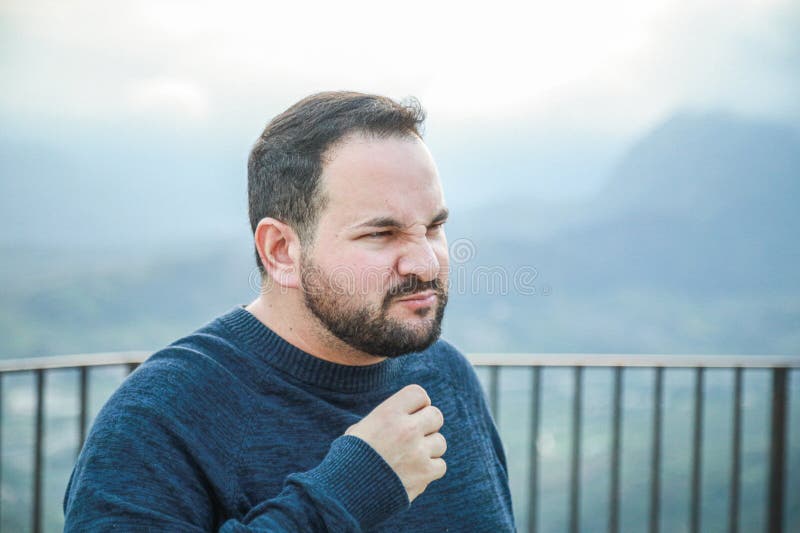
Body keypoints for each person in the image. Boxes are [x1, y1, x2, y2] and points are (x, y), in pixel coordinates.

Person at [63, 91, 515, 531]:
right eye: (381, 234)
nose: (425, 262)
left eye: (434, 227)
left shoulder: (447, 376)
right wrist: (347, 492)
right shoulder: (157, 420)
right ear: (281, 251)